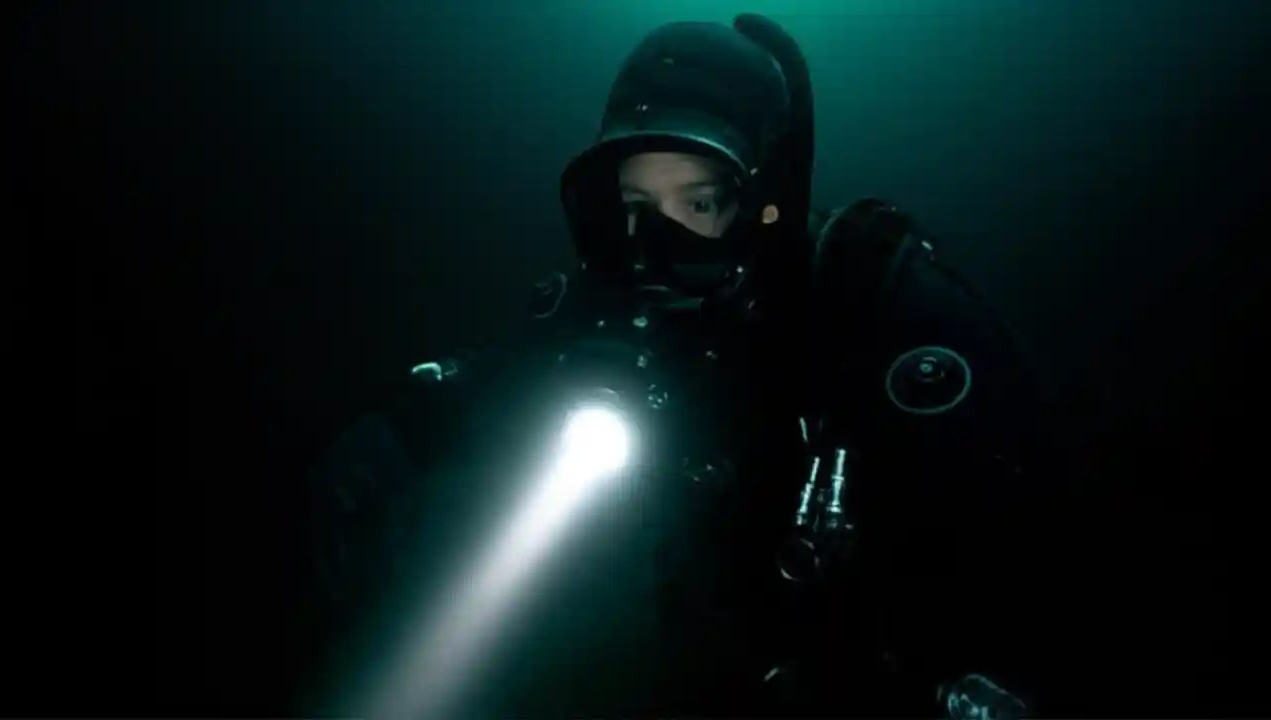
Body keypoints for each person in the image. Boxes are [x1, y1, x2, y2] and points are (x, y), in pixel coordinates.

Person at [306, 14, 1058, 719]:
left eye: (698, 204)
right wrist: (400, 424)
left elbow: (1016, 538)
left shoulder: (873, 308)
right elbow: (507, 369)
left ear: (766, 195)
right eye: (635, 206)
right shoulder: (619, 297)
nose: (654, 245)